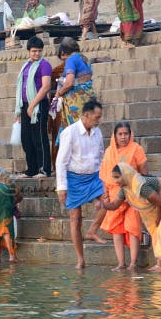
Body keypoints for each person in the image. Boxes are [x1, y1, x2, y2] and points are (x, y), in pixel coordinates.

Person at [104, 164, 161, 273]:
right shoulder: (125, 188)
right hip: (160, 202)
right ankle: (159, 264)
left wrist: (158, 219)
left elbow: (160, 203)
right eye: (114, 177)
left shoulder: (141, 186)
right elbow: (114, 205)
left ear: (126, 175)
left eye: (117, 177)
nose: (115, 181)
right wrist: (103, 204)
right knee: (155, 231)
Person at [56, 100, 107, 269]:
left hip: (94, 177)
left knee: (110, 199)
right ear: (86, 115)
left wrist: (104, 180)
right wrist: (61, 187)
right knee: (75, 219)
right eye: (96, 117)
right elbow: (61, 162)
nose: (98, 120)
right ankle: (80, 259)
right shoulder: (69, 133)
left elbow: (100, 157)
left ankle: (92, 230)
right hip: (74, 179)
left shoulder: (98, 133)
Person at [99, 121, 148, 271]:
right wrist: (105, 194)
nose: (123, 137)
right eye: (120, 134)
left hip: (133, 193)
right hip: (114, 195)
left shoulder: (136, 149)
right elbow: (104, 175)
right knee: (116, 229)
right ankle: (121, 263)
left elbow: (144, 172)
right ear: (114, 136)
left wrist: (142, 191)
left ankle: (132, 263)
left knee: (133, 228)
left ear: (130, 134)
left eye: (126, 134)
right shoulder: (109, 152)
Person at [15, 36, 53, 178]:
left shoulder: (44, 65)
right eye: (34, 51)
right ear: (28, 51)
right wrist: (21, 109)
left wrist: (32, 105)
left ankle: (44, 169)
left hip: (38, 105)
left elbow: (46, 86)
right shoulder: (26, 65)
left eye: (39, 51)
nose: (37, 54)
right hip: (25, 105)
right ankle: (31, 169)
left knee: (39, 137)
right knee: (26, 138)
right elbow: (22, 85)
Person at [55, 37, 97, 127]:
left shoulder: (71, 59)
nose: (63, 60)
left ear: (65, 52)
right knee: (88, 126)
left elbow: (69, 83)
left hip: (77, 99)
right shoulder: (83, 58)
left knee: (77, 129)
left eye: (63, 56)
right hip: (89, 96)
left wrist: (58, 94)